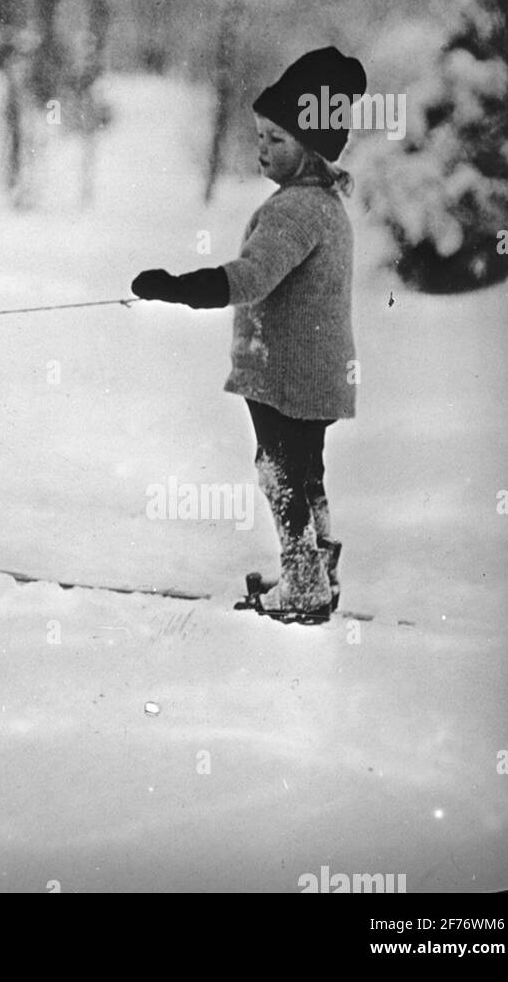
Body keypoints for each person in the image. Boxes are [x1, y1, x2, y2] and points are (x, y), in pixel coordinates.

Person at [131, 48, 367, 622]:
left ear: (312, 149)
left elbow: (253, 277)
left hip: (285, 374)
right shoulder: (325, 206)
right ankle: (315, 569)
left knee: (279, 469)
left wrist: (181, 286)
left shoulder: (294, 211)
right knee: (306, 471)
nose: (263, 148)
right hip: (314, 371)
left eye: (278, 139)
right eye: (260, 135)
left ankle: (304, 581)